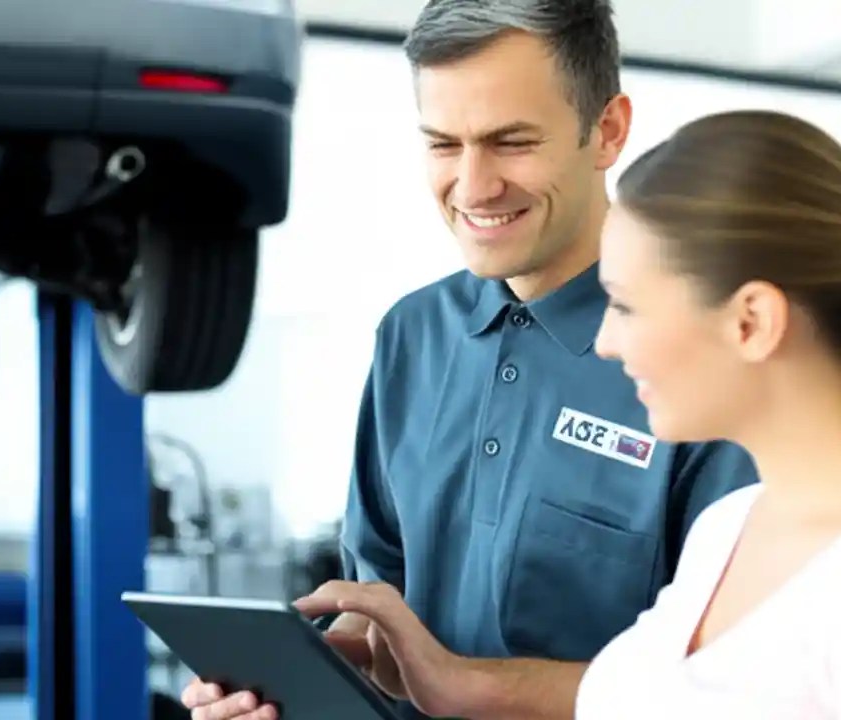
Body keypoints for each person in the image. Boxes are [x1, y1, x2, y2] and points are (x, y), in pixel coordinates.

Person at [293, 110, 841, 718]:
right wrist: (440, 677)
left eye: (626, 305)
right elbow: (623, 702)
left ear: (750, 321)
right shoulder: (735, 528)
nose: (608, 341)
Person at [182, 1, 758, 719]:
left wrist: (465, 683)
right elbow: (378, 596)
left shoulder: (708, 357)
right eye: (444, 145)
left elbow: (737, 680)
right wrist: (305, 679)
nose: (474, 186)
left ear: (606, 131)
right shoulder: (412, 335)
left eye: (512, 142)